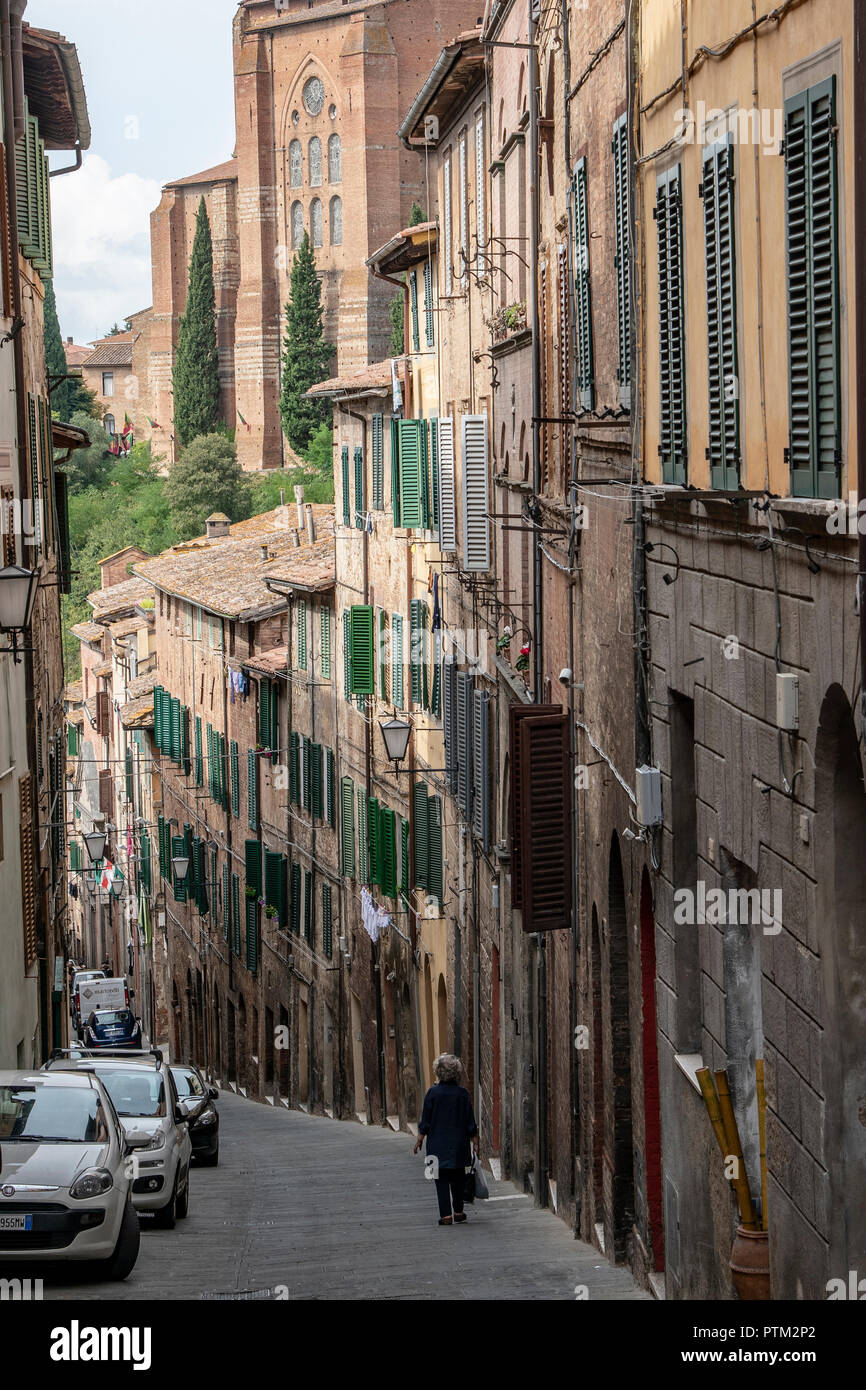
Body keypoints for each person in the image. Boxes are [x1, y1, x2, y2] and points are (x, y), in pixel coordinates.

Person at [414, 1053, 479, 1225]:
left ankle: (446, 1215)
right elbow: (469, 1120)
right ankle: (458, 1211)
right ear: (456, 1072)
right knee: (458, 1179)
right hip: (458, 1144)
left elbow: (425, 1120)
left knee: (440, 1181)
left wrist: (420, 1138)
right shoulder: (463, 1094)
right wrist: (475, 1140)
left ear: (438, 1072)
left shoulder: (432, 1093)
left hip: (436, 1145)